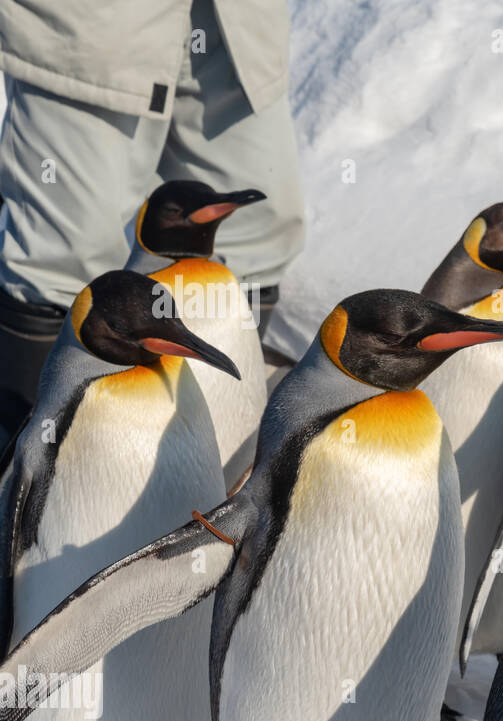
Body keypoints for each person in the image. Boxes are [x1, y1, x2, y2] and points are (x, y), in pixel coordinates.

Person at [0, 0, 305, 437]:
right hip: (95, 29)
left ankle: (216, 449)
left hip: (236, 20)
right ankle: (33, 463)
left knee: (259, 230)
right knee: (70, 252)